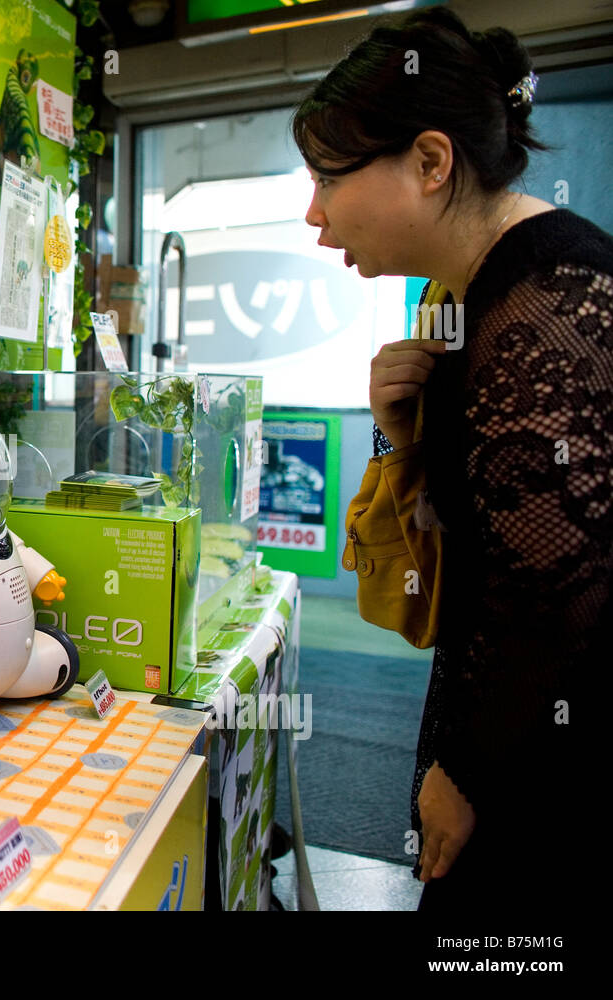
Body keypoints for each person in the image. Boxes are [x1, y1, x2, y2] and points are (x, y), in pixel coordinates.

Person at [293, 7, 611, 911]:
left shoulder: (547, 306)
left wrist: (466, 771)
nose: (314, 215)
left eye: (327, 179)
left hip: (542, 762)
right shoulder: (461, 294)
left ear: (431, 164)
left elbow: (557, 594)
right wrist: (404, 432)